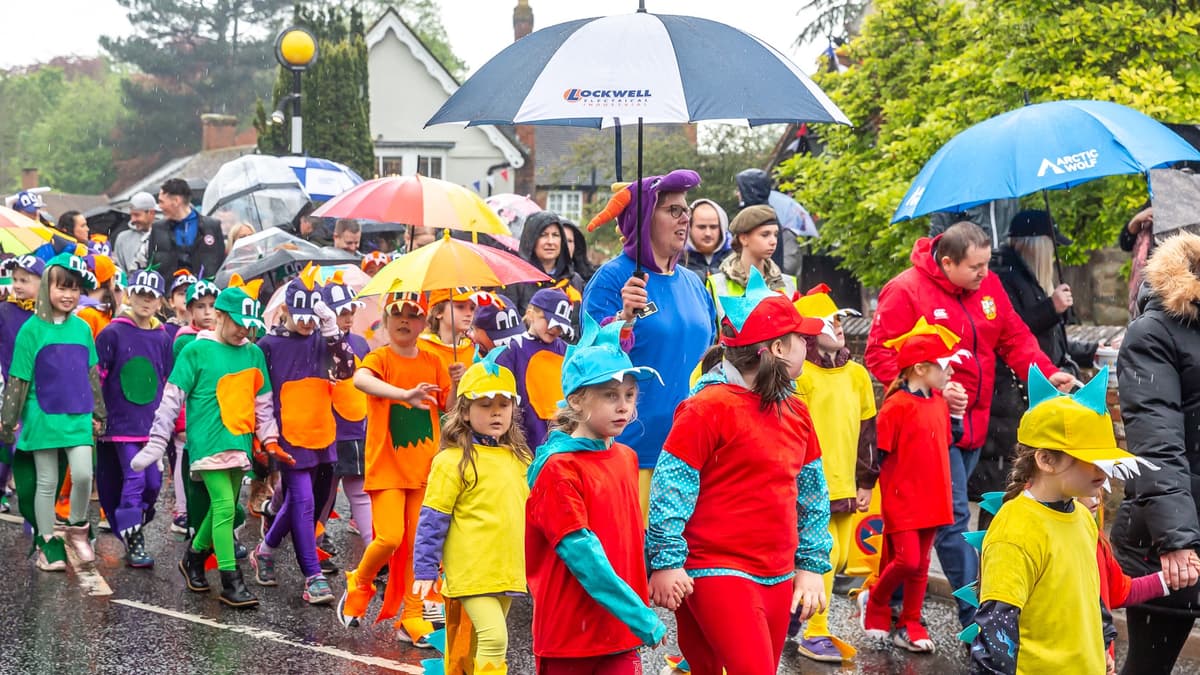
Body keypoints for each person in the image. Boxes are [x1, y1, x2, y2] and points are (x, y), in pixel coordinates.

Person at [863, 222, 1072, 628]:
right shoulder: (905, 290)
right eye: (975, 266)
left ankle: (887, 601)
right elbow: (879, 355)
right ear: (946, 263)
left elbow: (1014, 338)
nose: (985, 273)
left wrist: (1047, 375)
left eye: (986, 263)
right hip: (930, 430)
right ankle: (976, 621)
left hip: (977, 426)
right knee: (952, 520)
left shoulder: (989, 286)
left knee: (927, 525)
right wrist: (931, 394)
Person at [647, 268, 830, 675]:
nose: (808, 342)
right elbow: (670, 487)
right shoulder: (707, 407)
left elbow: (813, 493)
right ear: (779, 347)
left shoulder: (797, 409)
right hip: (714, 566)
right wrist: (667, 561)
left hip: (778, 570)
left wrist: (811, 565)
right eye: (801, 336)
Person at [970, 368, 1151, 674]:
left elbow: (1090, 595)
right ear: (1046, 460)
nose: (1104, 471)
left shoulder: (1082, 516)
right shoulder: (1015, 531)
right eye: (1091, 460)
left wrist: (1102, 644)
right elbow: (996, 628)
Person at [130, 275, 294, 608]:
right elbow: (172, 398)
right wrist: (158, 441)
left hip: (240, 441)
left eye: (248, 327)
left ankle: (192, 559)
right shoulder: (196, 350)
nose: (243, 333)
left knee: (227, 509)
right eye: (237, 325)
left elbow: (262, 403)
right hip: (206, 443)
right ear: (220, 316)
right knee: (222, 506)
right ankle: (231, 581)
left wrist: (270, 440)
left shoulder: (253, 354)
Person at [525, 314, 666, 672]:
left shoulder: (626, 457)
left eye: (629, 395)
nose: (623, 406)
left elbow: (632, 534)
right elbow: (581, 554)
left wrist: (661, 570)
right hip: (571, 632)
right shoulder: (559, 468)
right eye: (609, 395)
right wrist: (639, 614)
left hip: (620, 630)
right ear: (576, 401)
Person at [582, 170, 716, 516]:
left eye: (685, 209)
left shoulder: (694, 282)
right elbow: (589, 361)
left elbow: (712, 360)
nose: (684, 217)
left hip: (693, 450)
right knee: (636, 564)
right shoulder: (612, 279)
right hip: (633, 451)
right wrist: (623, 318)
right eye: (672, 209)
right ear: (644, 219)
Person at [337, 288, 458, 648]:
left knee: (418, 547)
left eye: (413, 313)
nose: (405, 319)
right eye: (397, 313)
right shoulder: (380, 358)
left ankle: (412, 616)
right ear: (387, 320)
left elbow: (448, 406)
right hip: (387, 467)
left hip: (424, 470)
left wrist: (458, 380)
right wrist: (402, 394)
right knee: (390, 538)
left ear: (425, 321)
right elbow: (361, 380)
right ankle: (359, 581)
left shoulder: (435, 361)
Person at [974, 210, 1101, 524]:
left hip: (1034, 390)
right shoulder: (1003, 277)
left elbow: (1046, 341)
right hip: (1009, 403)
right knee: (1006, 488)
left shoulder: (1030, 277)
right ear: (1035, 245)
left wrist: (1090, 350)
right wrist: (1051, 307)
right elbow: (1011, 334)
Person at [1112, 230, 1200, 675]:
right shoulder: (1155, 332)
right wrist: (1178, 540)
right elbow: (1156, 442)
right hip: (1169, 534)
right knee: (1150, 665)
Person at [412, 348, 531, 674]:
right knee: (495, 639)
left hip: (507, 570)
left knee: (474, 647)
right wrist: (424, 569)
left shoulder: (519, 458)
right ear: (464, 412)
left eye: (503, 405)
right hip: (471, 573)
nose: (496, 413)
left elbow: (531, 513)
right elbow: (433, 518)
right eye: (485, 404)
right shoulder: (450, 461)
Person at [860, 318, 965, 653]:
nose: (949, 373)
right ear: (920, 368)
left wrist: (958, 416)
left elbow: (948, 441)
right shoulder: (896, 406)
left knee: (920, 566)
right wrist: (865, 486)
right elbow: (877, 452)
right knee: (906, 561)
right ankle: (875, 601)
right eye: (943, 366)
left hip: (934, 497)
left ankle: (911, 621)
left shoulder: (937, 402)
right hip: (903, 497)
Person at [250, 266, 353, 605]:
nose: (307, 322)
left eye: (313, 316)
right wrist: (263, 435)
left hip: (324, 433)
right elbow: (258, 392)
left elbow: (347, 370)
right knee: (304, 501)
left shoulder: (324, 339)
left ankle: (265, 551)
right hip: (289, 437)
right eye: (302, 315)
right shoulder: (268, 344)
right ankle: (313, 576)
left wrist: (331, 331)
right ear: (286, 310)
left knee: (306, 499)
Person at [0, 253, 105, 571]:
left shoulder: (83, 328)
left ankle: (76, 530)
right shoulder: (31, 330)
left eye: (74, 289)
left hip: (78, 414)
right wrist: (8, 421)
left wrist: (99, 412)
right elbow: (18, 378)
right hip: (42, 414)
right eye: (62, 287)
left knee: (84, 474)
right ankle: (47, 543)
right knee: (46, 481)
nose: (68, 295)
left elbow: (91, 372)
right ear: (47, 287)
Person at [789, 284, 875, 662]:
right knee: (824, 555)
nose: (838, 326)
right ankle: (816, 631)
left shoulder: (857, 375)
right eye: (829, 321)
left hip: (846, 482)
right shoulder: (801, 375)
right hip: (813, 484)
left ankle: (794, 615)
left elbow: (867, 430)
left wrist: (866, 480)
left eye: (839, 319)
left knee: (840, 560)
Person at [94, 269, 173, 568]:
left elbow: (166, 380)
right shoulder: (112, 332)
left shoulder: (162, 337)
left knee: (152, 483)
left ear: (160, 302)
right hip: (120, 422)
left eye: (152, 297)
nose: (145, 301)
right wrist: (96, 413)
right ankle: (134, 537)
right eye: (140, 294)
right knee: (134, 475)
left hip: (150, 424)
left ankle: (135, 520)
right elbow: (98, 376)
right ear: (129, 294)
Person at [321, 273, 371, 546]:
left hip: (356, 427)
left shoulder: (361, 343)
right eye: (342, 313)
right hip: (328, 429)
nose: (348, 318)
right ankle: (315, 535)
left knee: (358, 488)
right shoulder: (318, 343)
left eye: (351, 311)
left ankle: (373, 545)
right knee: (325, 489)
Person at [167, 278, 220, 534]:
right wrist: (180, 421)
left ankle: (210, 516)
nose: (208, 312)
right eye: (200, 306)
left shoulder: (225, 338)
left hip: (217, 417)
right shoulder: (185, 341)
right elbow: (181, 387)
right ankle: (183, 509)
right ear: (190, 310)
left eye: (212, 305)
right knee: (184, 461)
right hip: (190, 416)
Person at [494, 287, 571, 450]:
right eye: (548, 320)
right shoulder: (514, 348)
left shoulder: (566, 350)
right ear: (530, 313)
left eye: (559, 326)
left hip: (560, 434)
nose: (554, 329)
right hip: (524, 434)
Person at [0, 256, 43, 514]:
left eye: (25, 280)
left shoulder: (46, 315)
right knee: (7, 443)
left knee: (30, 444)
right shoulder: (4, 310)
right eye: (15, 279)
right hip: (10, 388)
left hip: (39, 391)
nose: (17, 285)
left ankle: (34, 497)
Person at [709, 205, 795, 322]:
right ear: (743, 238)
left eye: (775, 234)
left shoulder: (787, 283)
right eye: (765, 235)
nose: (773, 241)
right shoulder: (717, 283)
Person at [734, 168, 818, 275]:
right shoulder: (767, 214)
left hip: (761, 282)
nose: (737, 194)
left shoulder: (762, 219)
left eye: (740, 190)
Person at [145, 178, 226, 281]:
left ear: (176, 201)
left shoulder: (211, 227)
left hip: (204, 293)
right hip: (171, 293)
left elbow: (220, 263)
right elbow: (152, 266)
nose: (159, 207)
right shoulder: (158, 229)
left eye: (161, 202)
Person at [506, 211, 584, 314]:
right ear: (531, 239)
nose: (550, 242)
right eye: (543, 235)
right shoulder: (515, 280)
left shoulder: (574, 280)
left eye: (555, 235)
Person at [420, 287, 478, 375]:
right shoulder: (420, 349)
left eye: (472, 308)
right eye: (460, 307)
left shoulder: (473, 353)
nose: (469, 313)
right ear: (438, 312)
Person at [680, 198, 732, 279]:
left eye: (713, 227)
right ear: (689, 227)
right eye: (701, 227)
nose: (708, 233)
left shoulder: (735, 260)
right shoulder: (676, 260)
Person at [112, 192, 158, 271]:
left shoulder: (163, 234)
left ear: (151, 213)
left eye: (137, 215)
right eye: (131, 215)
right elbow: (119, 270)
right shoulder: (122, 238)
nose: (133, 220)